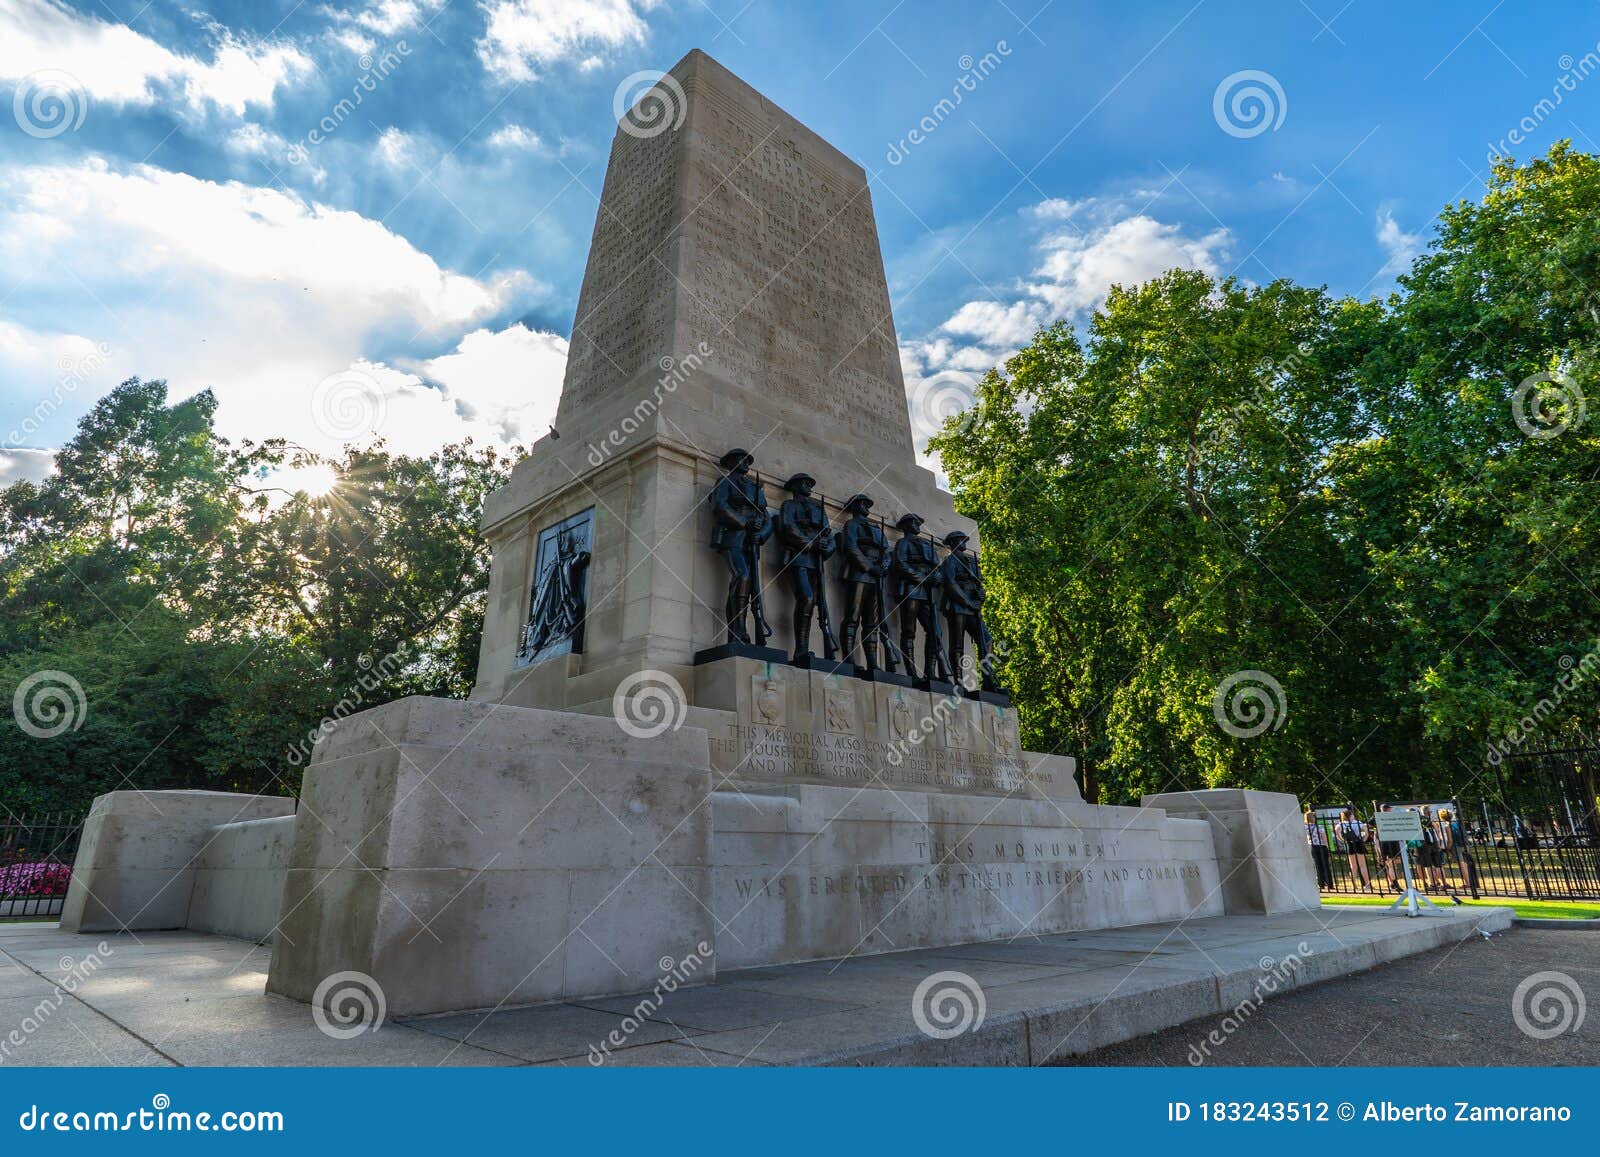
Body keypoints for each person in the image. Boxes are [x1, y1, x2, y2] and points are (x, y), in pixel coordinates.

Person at [1337, 809, 1373, 891]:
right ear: (1350, 815)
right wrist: (1365, 838)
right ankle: (1367, 885)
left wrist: (1342, 840)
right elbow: (1366, 830)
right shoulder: (1357, 823)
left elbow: (1336, 831)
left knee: (1353, 866)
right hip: (1358, 843)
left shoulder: (1341, 824)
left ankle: (1354, 885)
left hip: (1349, 844)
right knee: (1362, 865)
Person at [1418, 805, 1447, 892]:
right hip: (1434, 843)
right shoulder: (1432, 820)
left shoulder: (1419, 820)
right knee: (1438, 865)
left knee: (1428, 866)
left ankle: (1432, 883)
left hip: (1424, 844)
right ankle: (1443, 884)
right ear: (1428, 812)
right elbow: (1437, 830)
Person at [1376, 804, 1403, 893]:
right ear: (1388, 809)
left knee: (1390, 865)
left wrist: (1378, 850)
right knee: (1391, 865)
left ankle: (1392, 882)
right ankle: (1395, 884)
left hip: (1385, 843)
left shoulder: (1378, 819)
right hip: (1390, 843)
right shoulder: (1391, 819)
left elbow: (1376, 836)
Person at [1305, 810, 1333, 889]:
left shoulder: (1305, 827)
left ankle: (1321, 883)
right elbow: (1324, 838)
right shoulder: (1319, 827)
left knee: (1318, 865)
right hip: (1322, 846)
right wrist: (1328, 848)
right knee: (1326, 865)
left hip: (1313, 847)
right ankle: (1329, 883)